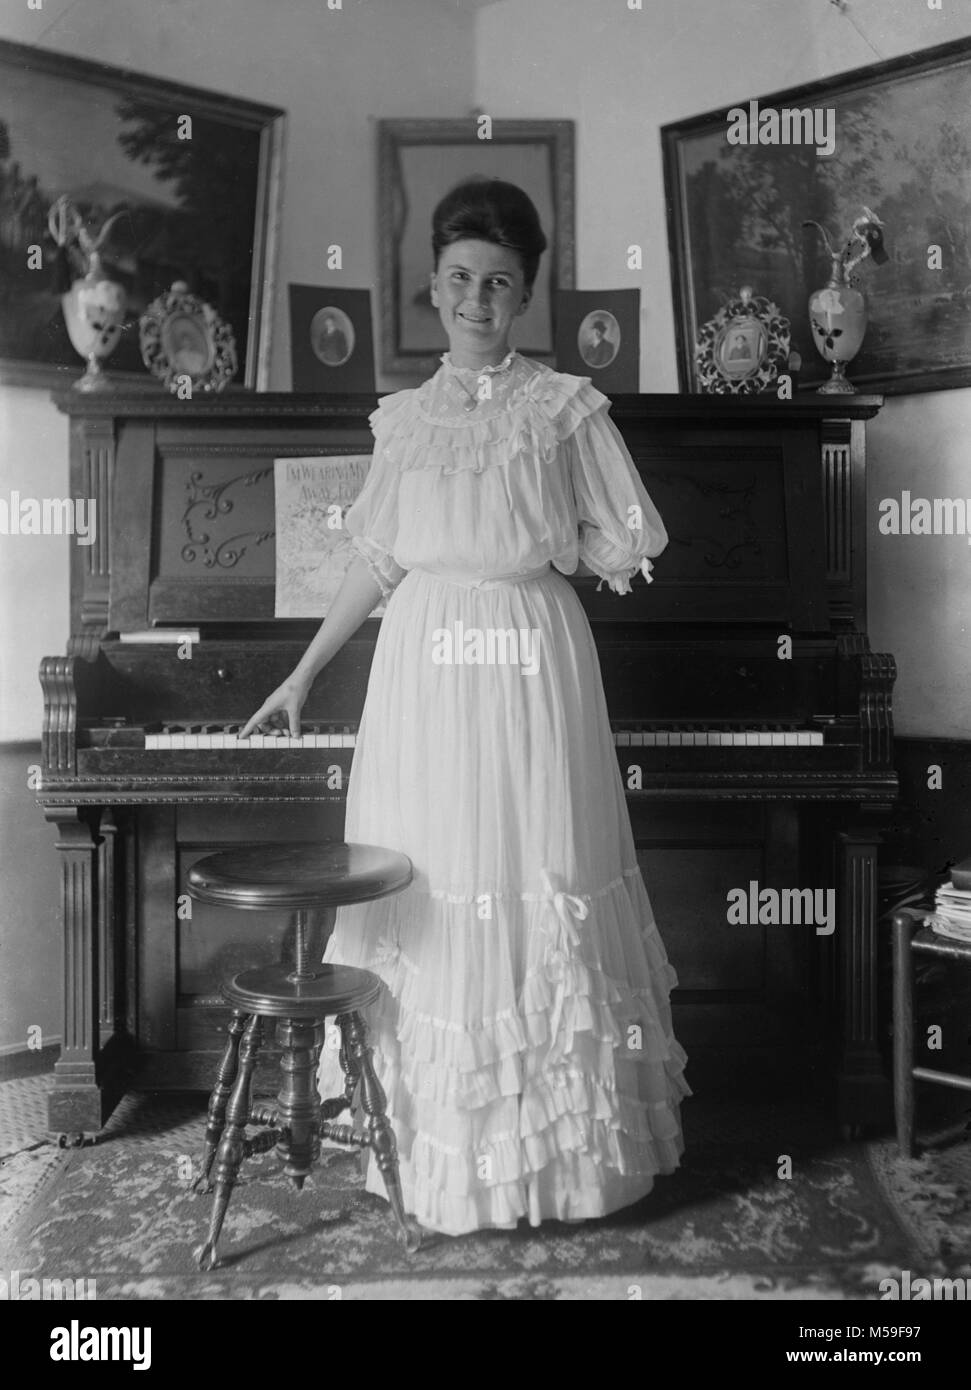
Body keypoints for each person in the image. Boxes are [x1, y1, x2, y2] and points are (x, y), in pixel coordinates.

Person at [242, 177, 689, 1237]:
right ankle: (431, 1160)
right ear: (431, 291)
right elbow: (375, 561)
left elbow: (624, 537)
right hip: (422, 681)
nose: (476, 299)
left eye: (497, 282)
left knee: (534, 869)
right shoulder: (403, 421)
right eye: (457, 280)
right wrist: (304, 673)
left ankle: (564, 1166)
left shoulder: (561, 408)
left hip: (530, 665)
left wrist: (551, 549)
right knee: (434, 882)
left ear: (522, 294)